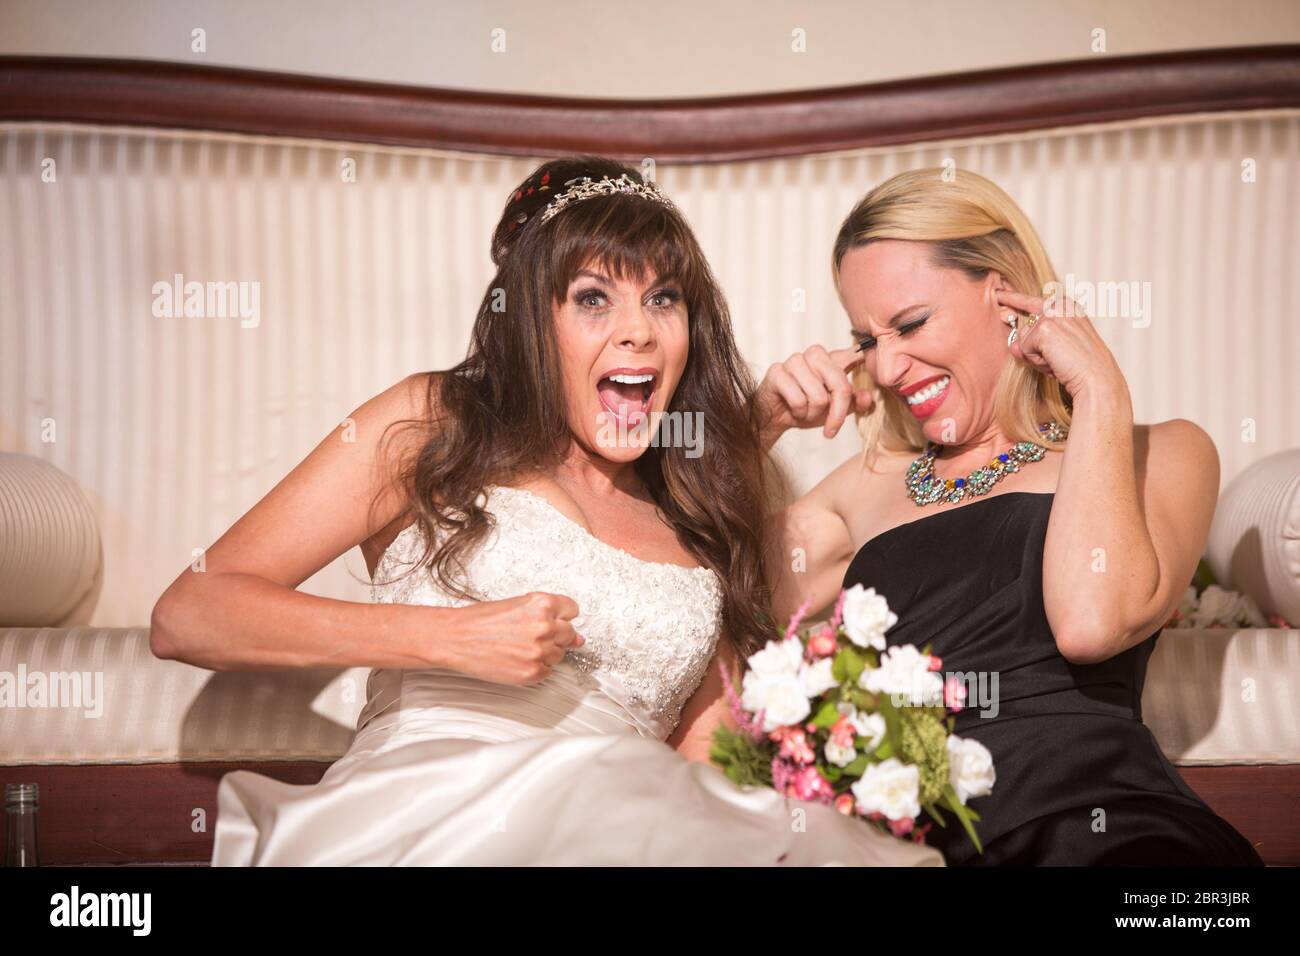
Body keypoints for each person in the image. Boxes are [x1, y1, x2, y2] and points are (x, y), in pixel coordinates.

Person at [150, 154, 943, 866]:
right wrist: (446, 638)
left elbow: (699, 757)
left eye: (663, 299)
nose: (638, 331)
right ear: (532, 322)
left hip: (634, 829)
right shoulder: (432, 423)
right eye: (593, 299)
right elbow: (191, 614)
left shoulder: (700, 510)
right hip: (433, 817)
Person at [747, 167, 1265, 866]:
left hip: (1112, 834)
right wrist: (755, 430)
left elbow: (1090, 623)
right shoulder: (869, 484)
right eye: (869, 341)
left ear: (1003, 291)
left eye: (910, 324)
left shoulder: (1160, 452)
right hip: (914, 846)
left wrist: (1099, 388)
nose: (890, 366)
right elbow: (713, 594)